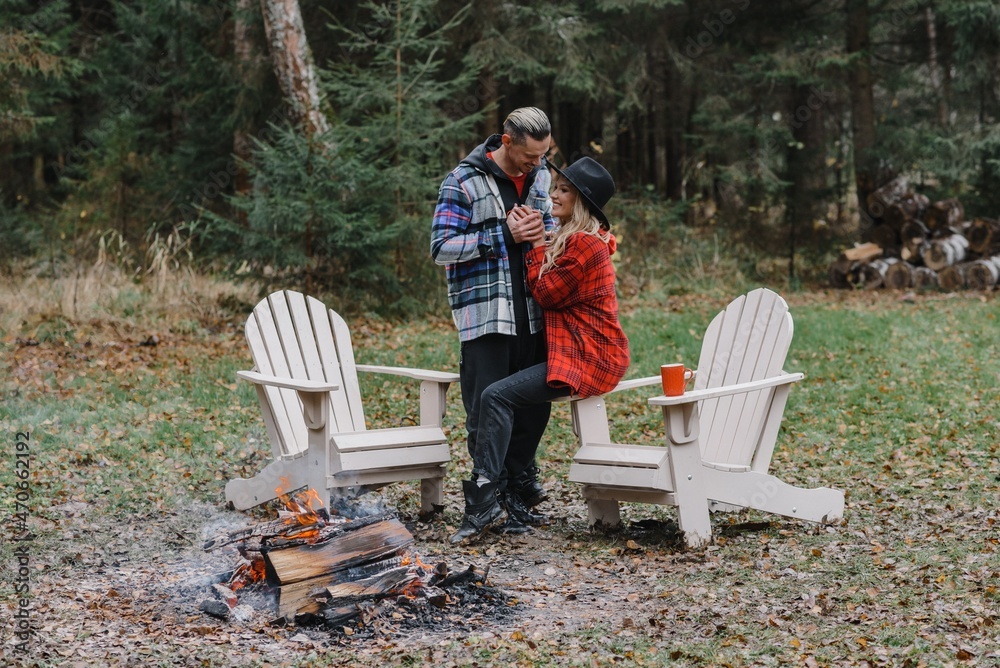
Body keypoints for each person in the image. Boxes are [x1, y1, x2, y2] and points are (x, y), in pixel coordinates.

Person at [449, 156, 631, 544]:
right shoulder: (578, 237)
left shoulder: (583, 244)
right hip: (576, 353)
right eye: (556, 186)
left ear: (582, 201)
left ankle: (483, 504)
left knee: (494, 396)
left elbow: (546, 292)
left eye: (564, 190)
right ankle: (519, 489)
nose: (554, 195)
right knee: (505, 397)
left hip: (588, 358)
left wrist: (532, 243)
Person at [430, 107, 556, 532]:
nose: (537, 165)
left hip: (535, 314)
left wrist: (544, 233)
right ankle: (487, 498)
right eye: (530, 156)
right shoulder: (462, 181)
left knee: (532, 409)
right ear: (506, 142)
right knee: (486, 410)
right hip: (486, 315)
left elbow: (552, 226)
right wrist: (502, 235)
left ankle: (516, 495)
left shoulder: (540, 177)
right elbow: (441, 248)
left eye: (543, 155)